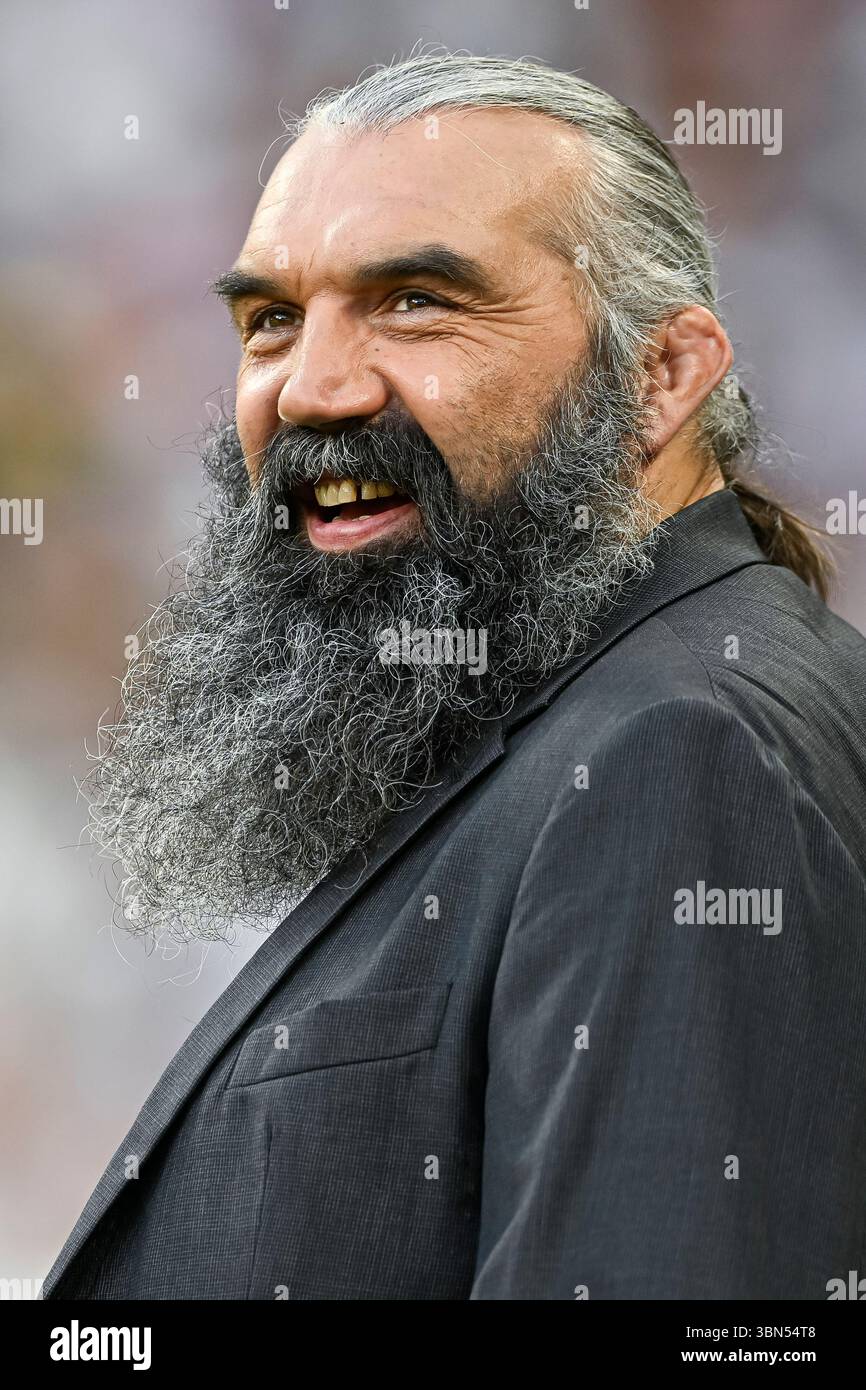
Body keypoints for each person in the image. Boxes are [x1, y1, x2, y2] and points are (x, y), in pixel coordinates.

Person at [44, 52, 866, 1301]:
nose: (314, 389)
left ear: (660, 376)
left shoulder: (681, 750)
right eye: (270, 318)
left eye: (415, 301)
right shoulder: (571, 708)